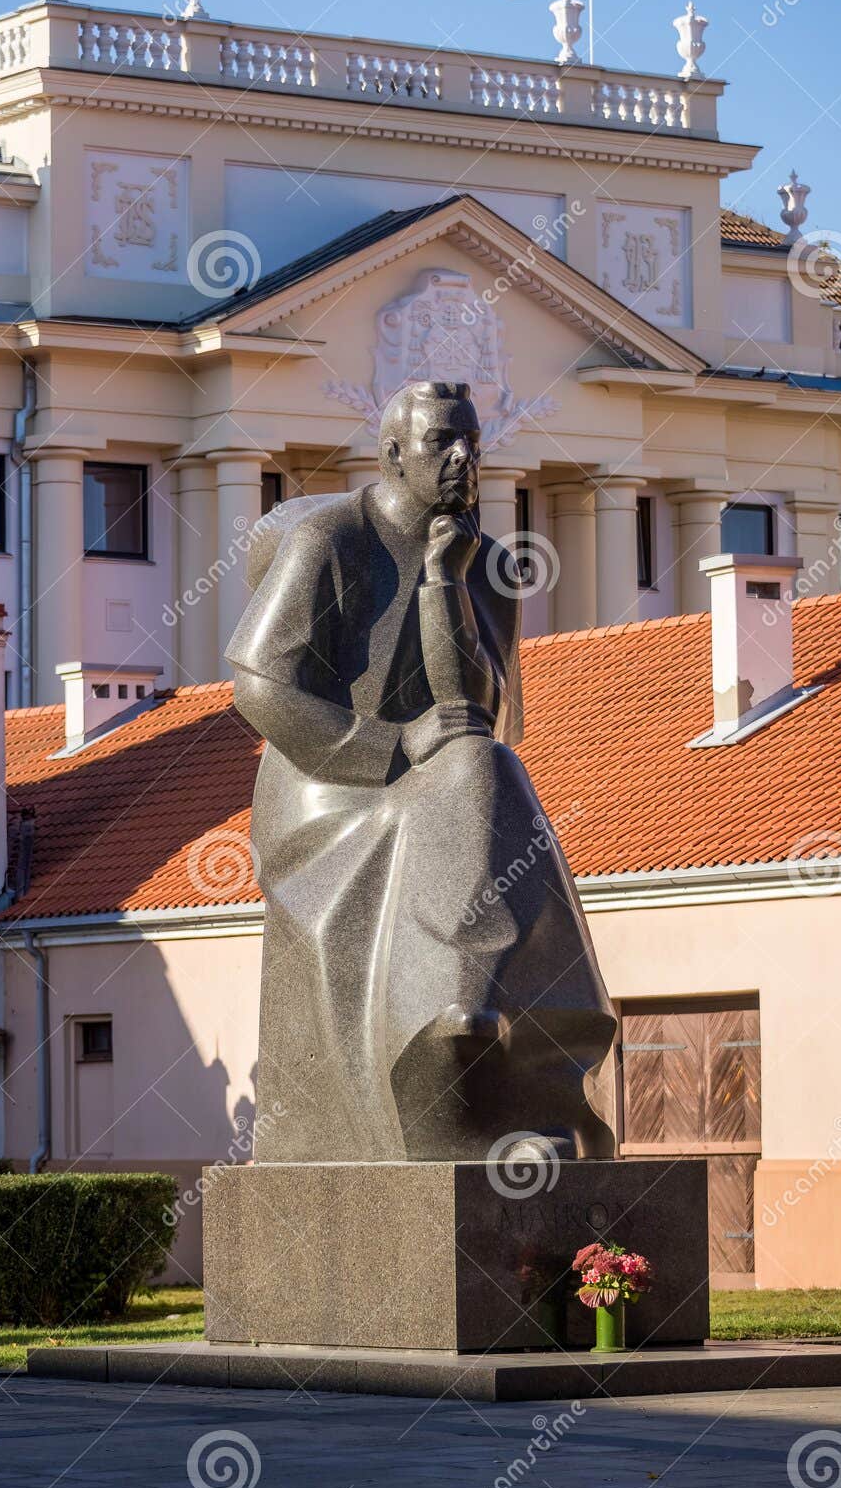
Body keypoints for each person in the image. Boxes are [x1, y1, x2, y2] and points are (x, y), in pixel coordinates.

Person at [227, 380, 616, 1163]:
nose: (463, 458)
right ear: (393, 454)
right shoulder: (330, 540)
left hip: (437, 782)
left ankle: (504, 1041)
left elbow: (474, 711)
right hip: (327, 788)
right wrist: (393, 745)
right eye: (442, 442)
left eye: (472, 441)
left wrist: (445, 581)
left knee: (488, 765)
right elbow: (259, 685)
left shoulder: (487, 564)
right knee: (476, 771)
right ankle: (450, 1044)